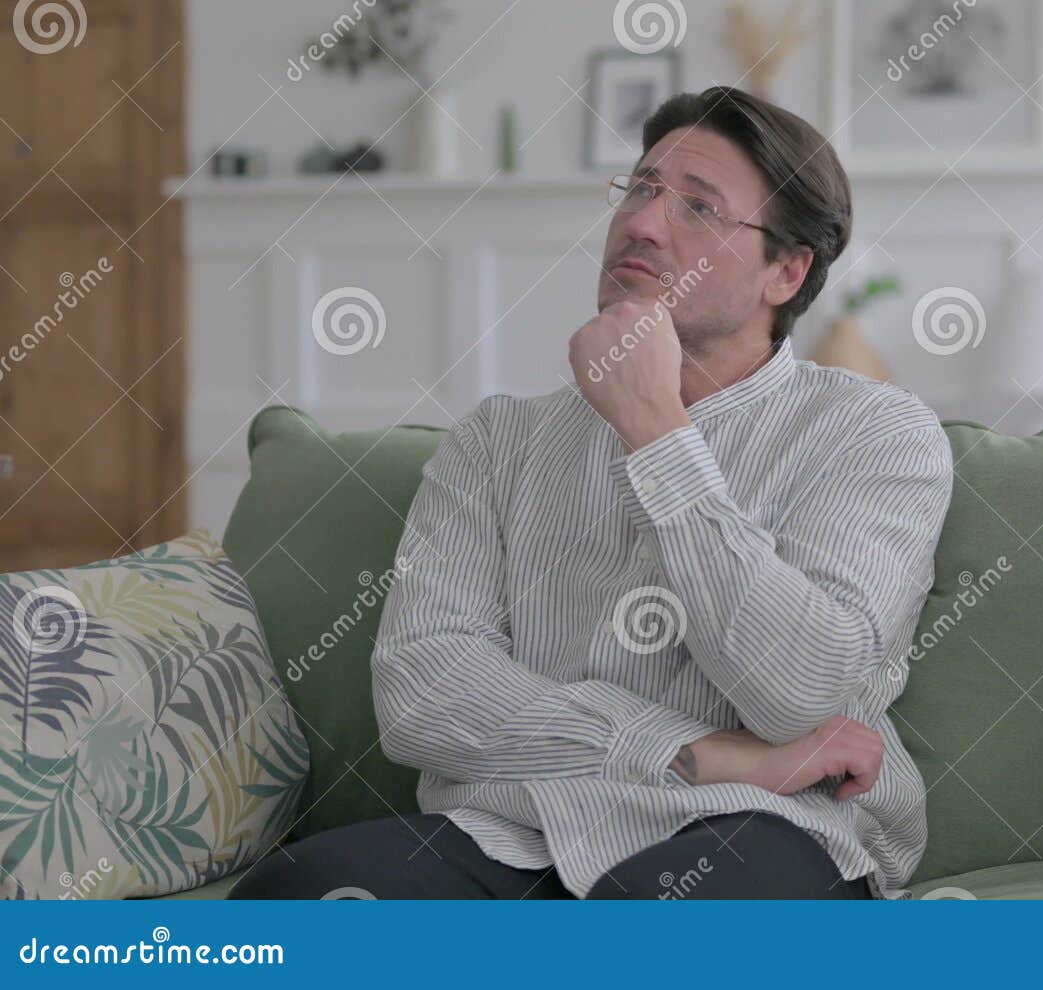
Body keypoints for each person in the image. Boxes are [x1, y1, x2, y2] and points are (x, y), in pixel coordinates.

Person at [228, 85, 953, 901]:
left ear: (785, 271)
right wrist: (691, 750)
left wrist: (657, 431)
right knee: (291, 898)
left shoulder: (874, 433)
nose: (643, 223)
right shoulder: (498, 441)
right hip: (517, 828)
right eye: (641, 188)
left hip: (763, 826)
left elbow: (802, 693)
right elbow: (423, 692)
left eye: (699, 209)